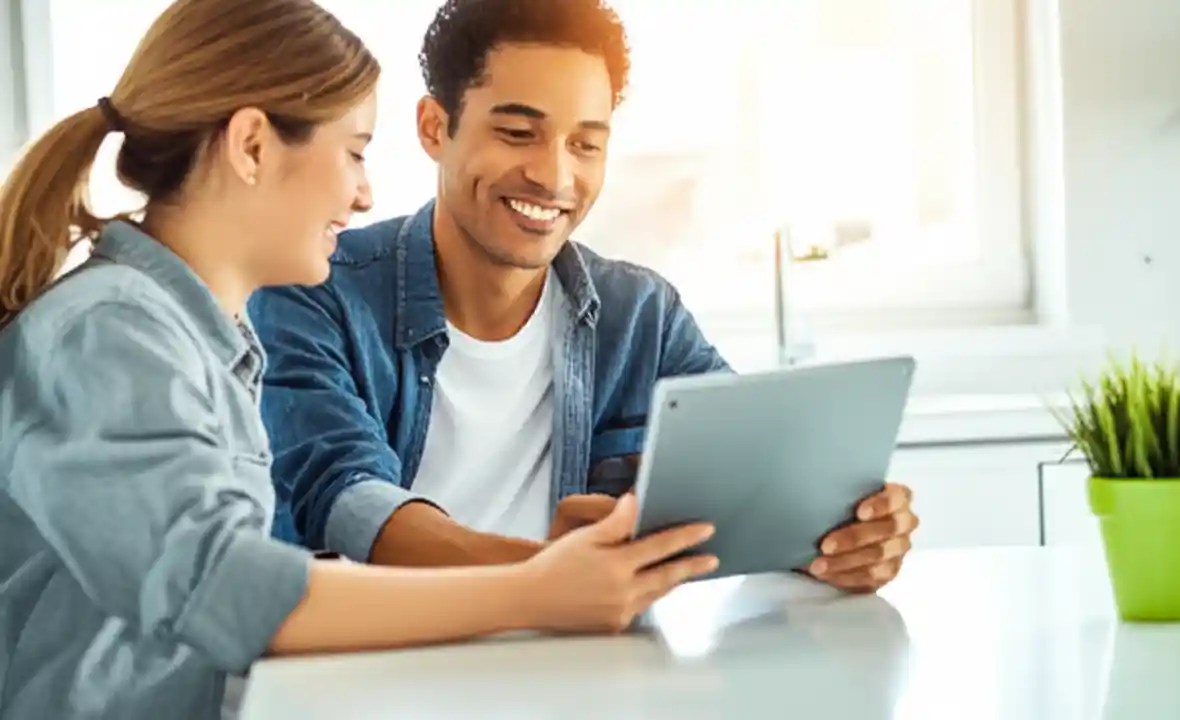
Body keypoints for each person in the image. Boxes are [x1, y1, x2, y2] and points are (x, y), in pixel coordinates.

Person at [0, 1, 718, 718]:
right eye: (354, 151)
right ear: (251, 146)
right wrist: (536, 587)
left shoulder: (200, 341)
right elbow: (222, 585)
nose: (367, 190)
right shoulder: (107, 333)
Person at [251, 0, 918, 593]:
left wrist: (837, 538)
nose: (554, 175)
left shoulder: (641, 316)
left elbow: (751, 487)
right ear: (434, 127)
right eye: (517, 133)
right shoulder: (314, 292)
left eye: (585, 143)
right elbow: (343, 496)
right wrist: (548, 574)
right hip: (364, 676)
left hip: (570, 667)